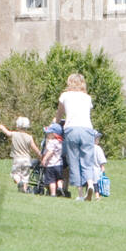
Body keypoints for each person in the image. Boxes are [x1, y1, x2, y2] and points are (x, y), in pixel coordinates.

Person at [55, 72, 97, 201]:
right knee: (87, 160)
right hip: (87, 129)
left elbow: (60, 112)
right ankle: (90, 184)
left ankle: (79, 193)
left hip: (71, 129)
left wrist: (55, 122)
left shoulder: (65, 96)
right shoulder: (87, 97)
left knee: (74, 161)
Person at [0, 117, 40, 192]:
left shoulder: (14, 134)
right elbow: (35, 148)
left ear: (17, 126)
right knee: (25, 176)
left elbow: (7, 133)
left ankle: (19, 182)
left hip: (17, 158)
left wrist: (2, 127)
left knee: (15, 174)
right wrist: (40, 156)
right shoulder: (29, 137)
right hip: (27, 159)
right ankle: (24, 189)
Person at [40, 124, 65, 197]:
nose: (47, 134)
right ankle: (60, 187)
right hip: (59, 164)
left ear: (54, 134)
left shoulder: (52, 142)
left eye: (49, 133)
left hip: (51, 165)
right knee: (59, 178)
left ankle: (53, 193)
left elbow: (50, 151)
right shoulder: (60, 142)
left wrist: (44, 159)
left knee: (52, 181)